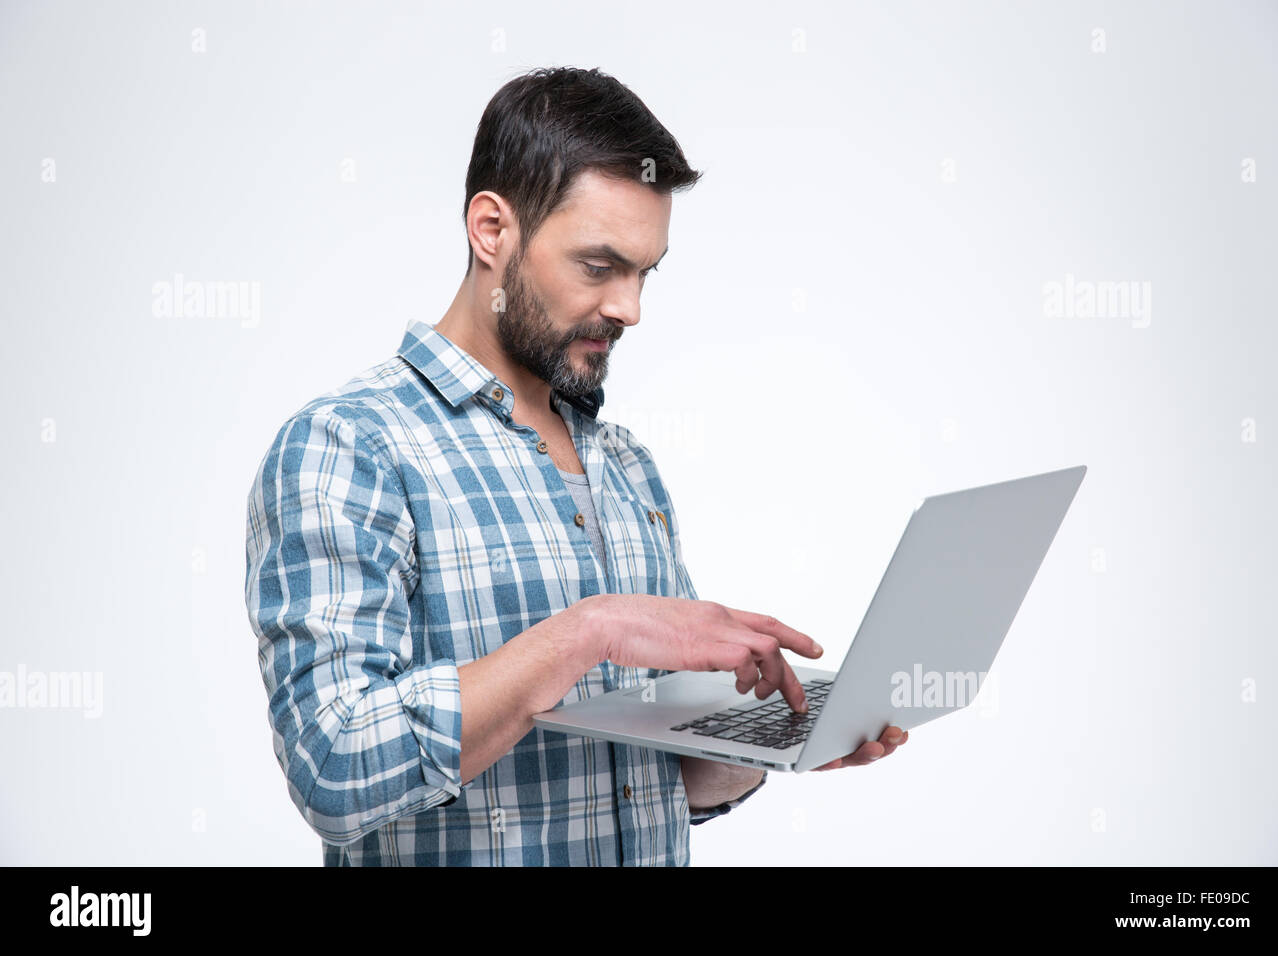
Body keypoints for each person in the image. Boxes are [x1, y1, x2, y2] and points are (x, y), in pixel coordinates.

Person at [243, 65, 907, 866]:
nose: (629, 308)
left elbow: (650, 783)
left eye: (644, 272)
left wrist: (768, 750)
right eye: (600, 267)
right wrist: (589, 631)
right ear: (491, 230)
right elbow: (333, 769)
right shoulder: (349, 447)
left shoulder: (626, 465)